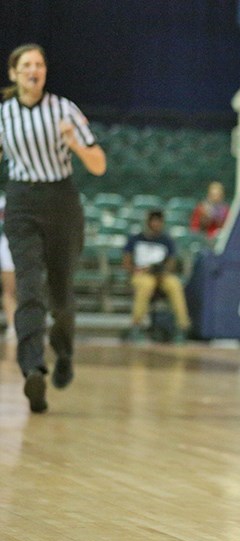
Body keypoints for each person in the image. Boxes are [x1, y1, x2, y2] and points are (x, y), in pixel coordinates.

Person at [0, 44, 106, 413]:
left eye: (40, 64)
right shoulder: (4, 115)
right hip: (21, 203)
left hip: (61, 201)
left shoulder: (64, 109)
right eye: (27, 65)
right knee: (29, 289)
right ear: (14, 74)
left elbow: (98, 165)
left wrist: (74, 143)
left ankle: (64, 353)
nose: (34, 70)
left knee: (60, 297)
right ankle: (33, 370)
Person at [122, 210, 191, 343]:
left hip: (161, 274)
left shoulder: (166, 241)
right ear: (148, 222)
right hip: (141, 274)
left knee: (175, 284)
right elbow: (126, 262)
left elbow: (171, 263)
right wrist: (136, 269)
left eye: (158, 221)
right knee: (146, 285)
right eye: (153, 220)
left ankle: (182, 327)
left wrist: (161, 270)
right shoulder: (136, 239)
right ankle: (136, 325)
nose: (156, 223)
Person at [0, 194, 16, 344]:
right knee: (9, 290)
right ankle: (12, 327)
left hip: (33, 246)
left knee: (29, 291)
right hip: (9, 245)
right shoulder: (3, 201)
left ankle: (29, 326)